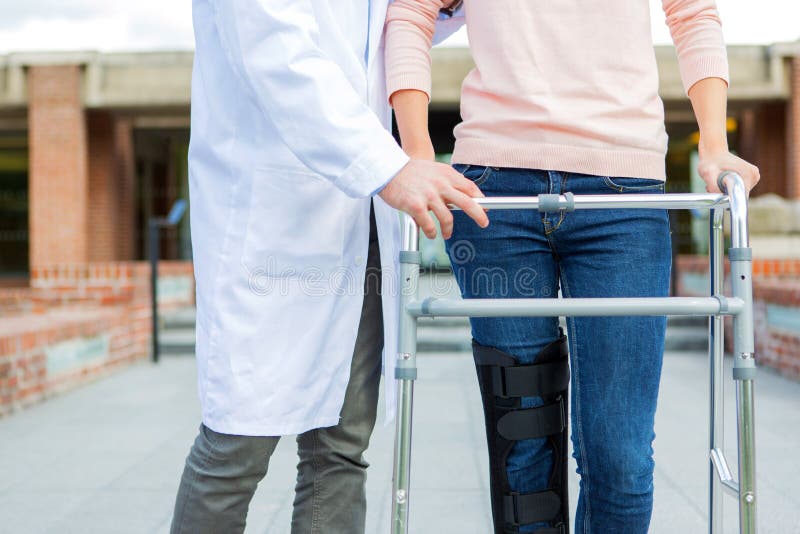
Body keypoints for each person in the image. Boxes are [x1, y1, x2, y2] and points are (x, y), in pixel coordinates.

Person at [385, 1, 759, 533]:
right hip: (496, 190)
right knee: (523, 447)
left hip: (624, 195)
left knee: (620, 458)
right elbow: (413, 11)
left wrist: (715, 146)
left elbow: (694, 12)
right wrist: (418, 150)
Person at [170, 2, 488, 533]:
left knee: (341, 448)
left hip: (356, 216)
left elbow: (380, 41)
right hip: (270, 218)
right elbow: (276, 52)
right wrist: (388, 168)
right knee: (236, 444)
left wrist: (446, 5)